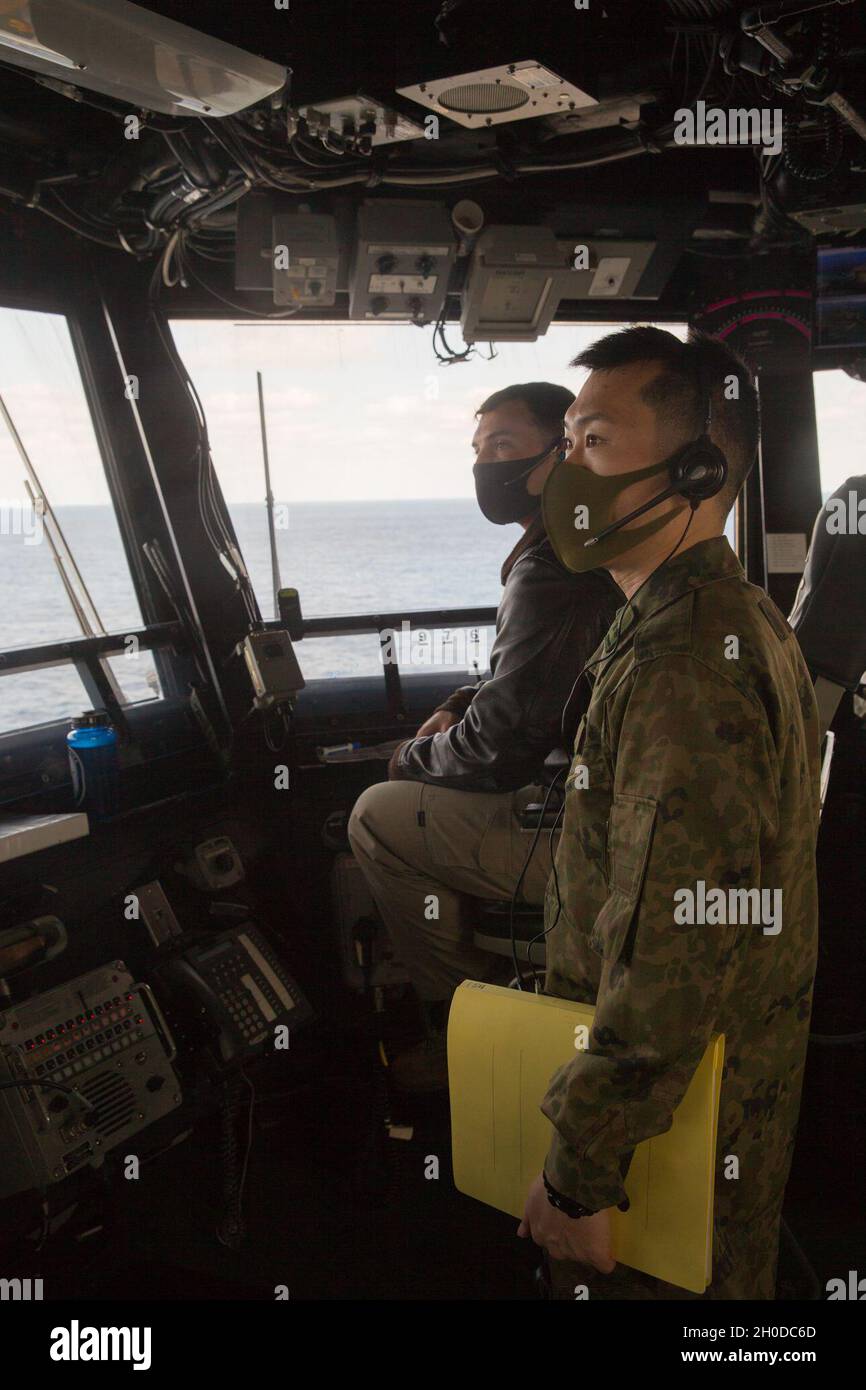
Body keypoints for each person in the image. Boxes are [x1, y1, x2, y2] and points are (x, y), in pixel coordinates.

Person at [518, 326, 821, 1301]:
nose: (563, 467)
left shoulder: (685, 664)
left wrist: (578, 1172)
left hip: (675, 1127)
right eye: (563, 440)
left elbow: (675, 955)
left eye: (593, 440)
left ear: (691, 471)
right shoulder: (701, 617)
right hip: (698, 1096)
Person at [348, 382, 623, 1091]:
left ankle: (464, 1035)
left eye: (503, 445)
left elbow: (497, 753)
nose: (485, 465)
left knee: (377, 815)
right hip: (606, 810)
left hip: (591, 843)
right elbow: (545, 677)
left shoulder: (553, 566)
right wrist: (466, 698)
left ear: (559, 450)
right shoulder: (591, 539)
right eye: (477, 449)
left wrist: (408, 757)